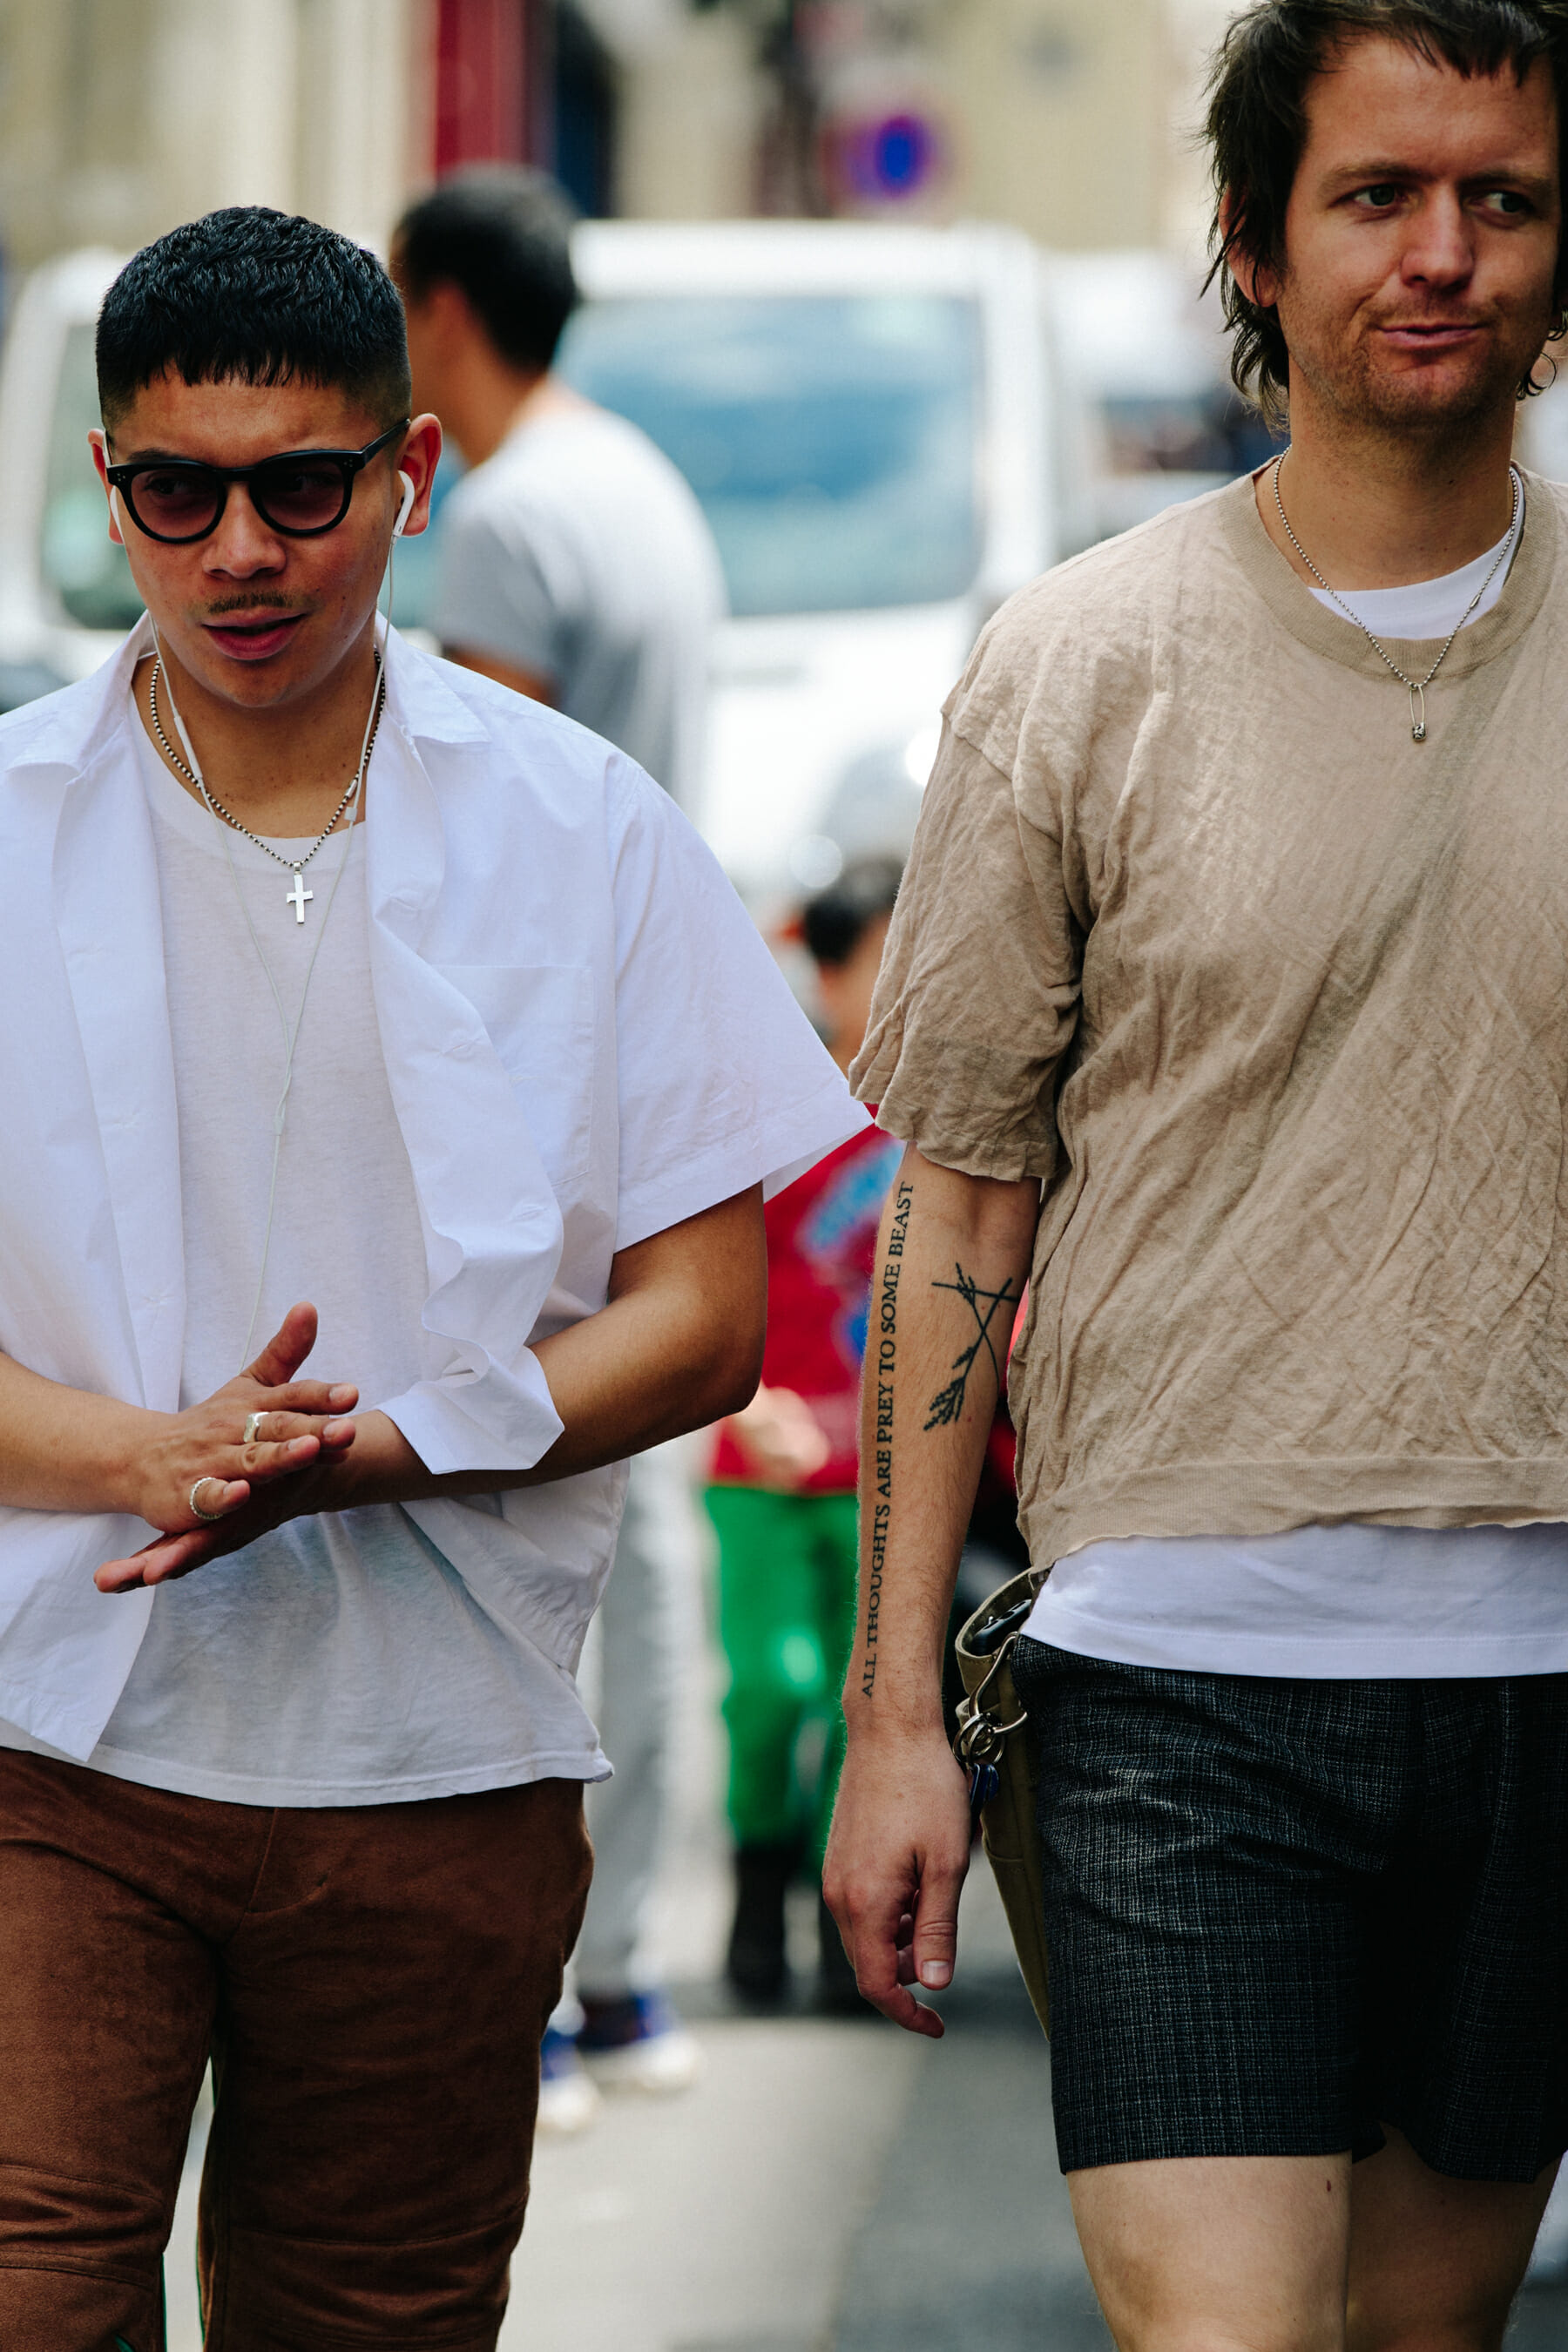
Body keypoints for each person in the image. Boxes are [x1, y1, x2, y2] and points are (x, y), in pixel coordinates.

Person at [0, 205, 860, 2347]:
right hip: (45, 1739)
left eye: (303, 488)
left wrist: (384, 1450)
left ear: (411, 472)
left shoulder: (585, 829)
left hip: (438, 1752)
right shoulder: (11, 824)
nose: (239, 553)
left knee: (374, 2316)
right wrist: (147, 1458)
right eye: (175, 494)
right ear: (108, 485)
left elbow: (706, 1318)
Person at [824, 3, 1568, 2345]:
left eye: (1504, 198)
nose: (1441, 253)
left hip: (1545, 1672)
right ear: (1254, 242)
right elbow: (957, 1210)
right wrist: (894, 1717)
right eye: (1377, 195)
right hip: (1178, 1674)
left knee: (1427, 2332)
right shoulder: (1076, 664)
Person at [393, 165, 728, 2116]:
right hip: (657, 1042)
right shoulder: (642, 482)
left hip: (537, 1068)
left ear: (441, 312)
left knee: (516, 1504)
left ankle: (527, 1989)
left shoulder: (511, 516)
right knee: (648, 1524)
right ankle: (626, 1982)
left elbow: (483, 832)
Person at [708, 858, 904, 2009]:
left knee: (862, 1698)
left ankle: (848, 1933)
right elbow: (700, 1277)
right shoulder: (774, 1114)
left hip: (894, 1476)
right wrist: (745, 1404)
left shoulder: (948, 1121)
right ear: (828, 974)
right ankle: (754, 1890)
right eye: (886, 956)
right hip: (767, 1472)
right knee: (770, 1690)